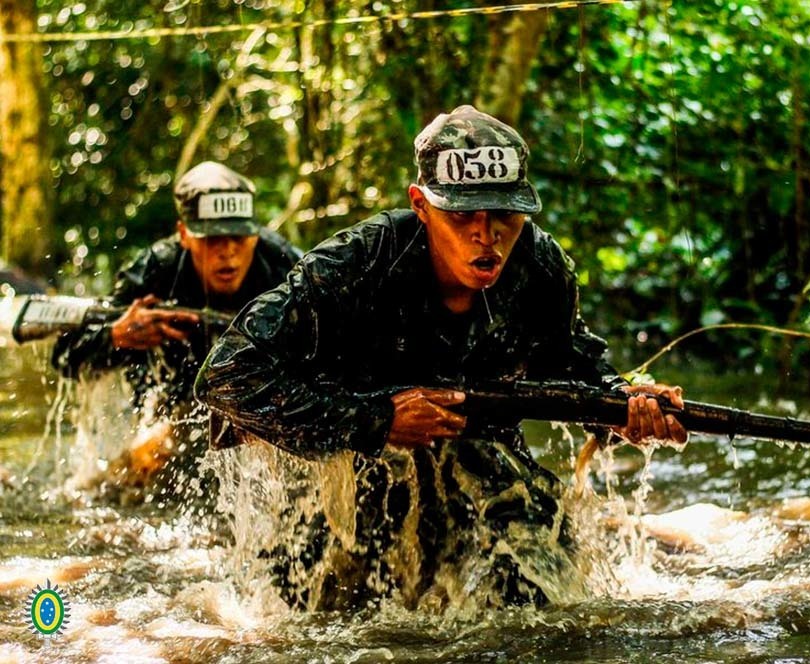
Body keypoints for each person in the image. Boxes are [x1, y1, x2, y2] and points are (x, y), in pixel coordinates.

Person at [194, 106, 687, 611]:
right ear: (421, 206)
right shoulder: (354, 264)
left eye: (504, 213)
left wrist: (626, 401)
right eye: (462, 215)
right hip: (351, 482)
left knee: (548, 598)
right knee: (315, 613)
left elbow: (576, 364)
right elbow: (225, 374)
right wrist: (378, 419)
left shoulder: (542, 268)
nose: (486, 233)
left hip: (485, 477)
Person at [52, 161, 302, 493]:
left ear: (255, 234)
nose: (228, 252)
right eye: (213, 239)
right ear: (184, 234)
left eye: (238, 237)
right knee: (115, 485)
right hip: (170, 422)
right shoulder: (154, 271)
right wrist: (117, 336)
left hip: (261, 417)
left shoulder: (288, 270)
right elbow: (64, 354)